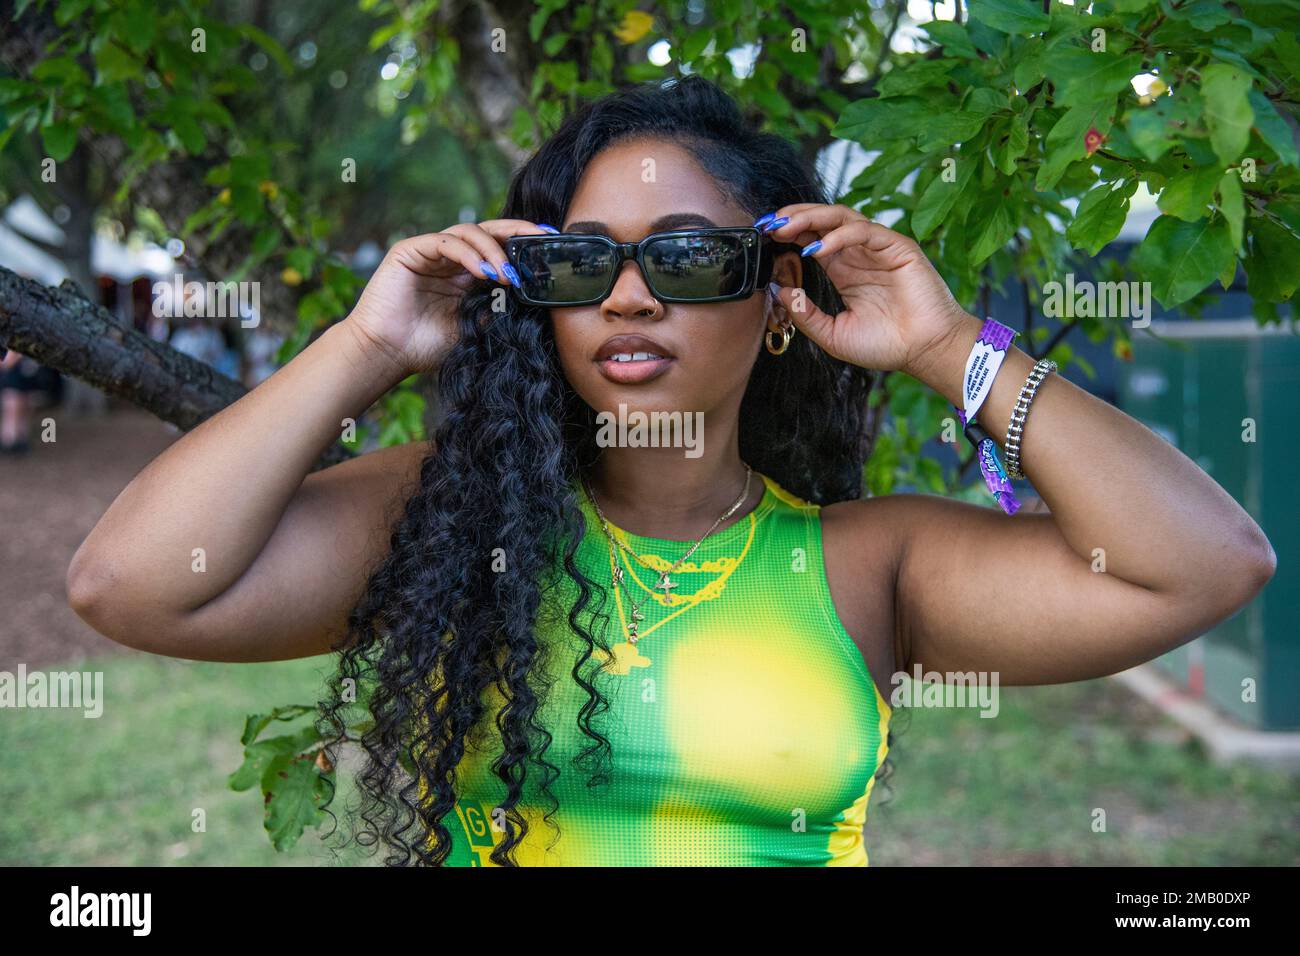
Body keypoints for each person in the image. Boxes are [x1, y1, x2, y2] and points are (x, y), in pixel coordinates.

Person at [66, 76, 1276, 867]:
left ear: (779, 298)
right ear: (535, 301)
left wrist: (946, 344)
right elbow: (129, 583)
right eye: (581, 262)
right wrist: (369, 343)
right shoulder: (447, 520)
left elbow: (1203, 565)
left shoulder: (869, 566)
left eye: (689, 257)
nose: (630, 292)